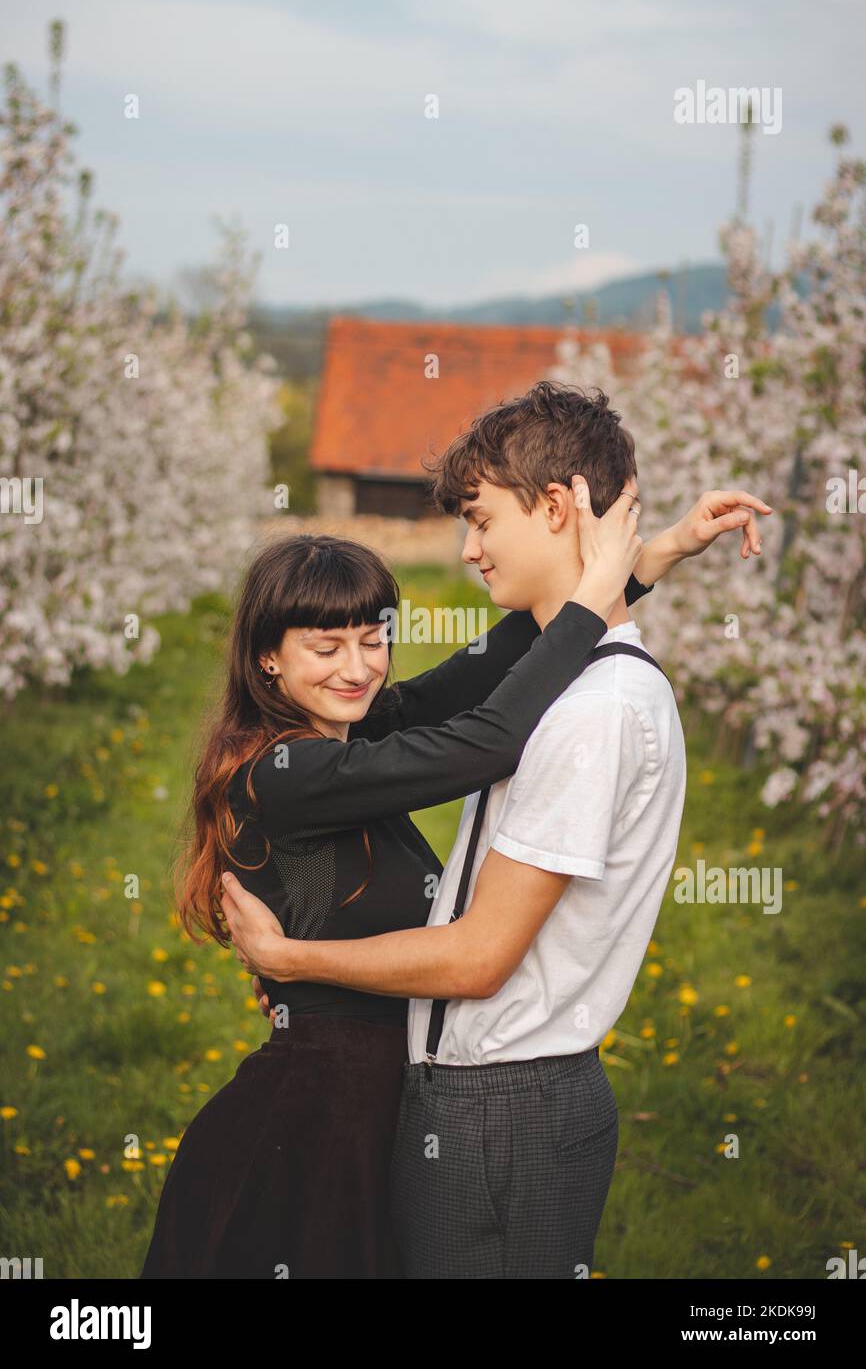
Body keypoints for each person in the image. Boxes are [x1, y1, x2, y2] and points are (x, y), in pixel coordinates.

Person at [223, 381, 771, 1279]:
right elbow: (487, 706)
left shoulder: (592, 712)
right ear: (267, 660)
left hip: (492, 1109)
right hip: (389, 1106)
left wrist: (654, 555)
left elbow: (486, 685)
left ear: (556, 508)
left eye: (480, 519)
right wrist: (598, 593)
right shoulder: (289, 765)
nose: (468, 550)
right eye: (326, 648)